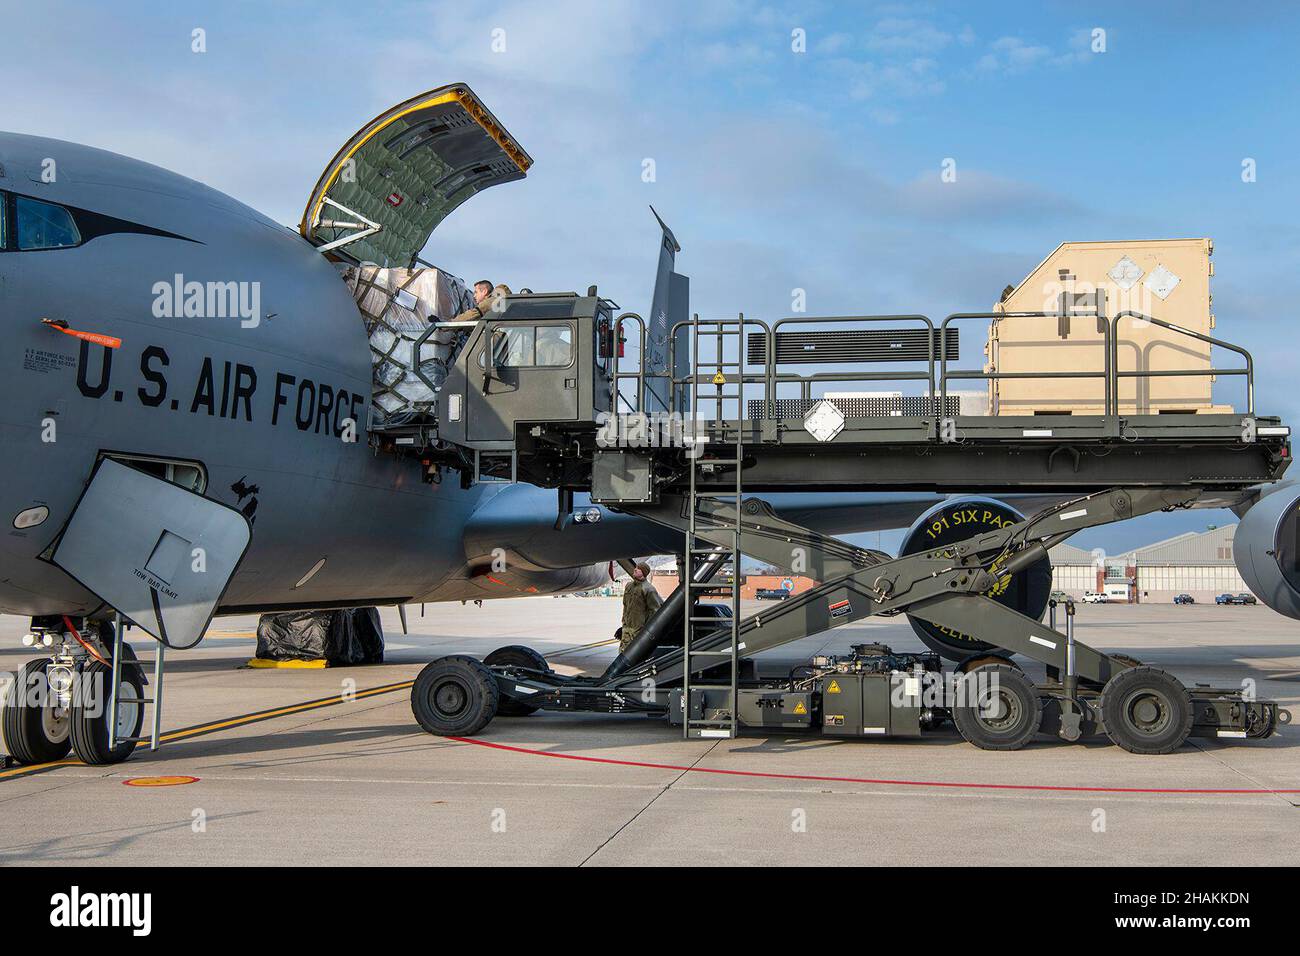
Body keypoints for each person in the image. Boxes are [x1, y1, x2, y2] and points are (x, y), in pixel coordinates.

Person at [619, 561, 663, 653]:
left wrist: (646, 628)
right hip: (627, 630)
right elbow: (625, 605)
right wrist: (624, 624)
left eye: (638, 568)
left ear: (643, 572)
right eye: (636, 567)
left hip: (639, 632)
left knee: (636, 655)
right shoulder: (629, 586)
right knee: (623, 655)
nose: (635, 569)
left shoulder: (648, 589)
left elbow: (655, 610)